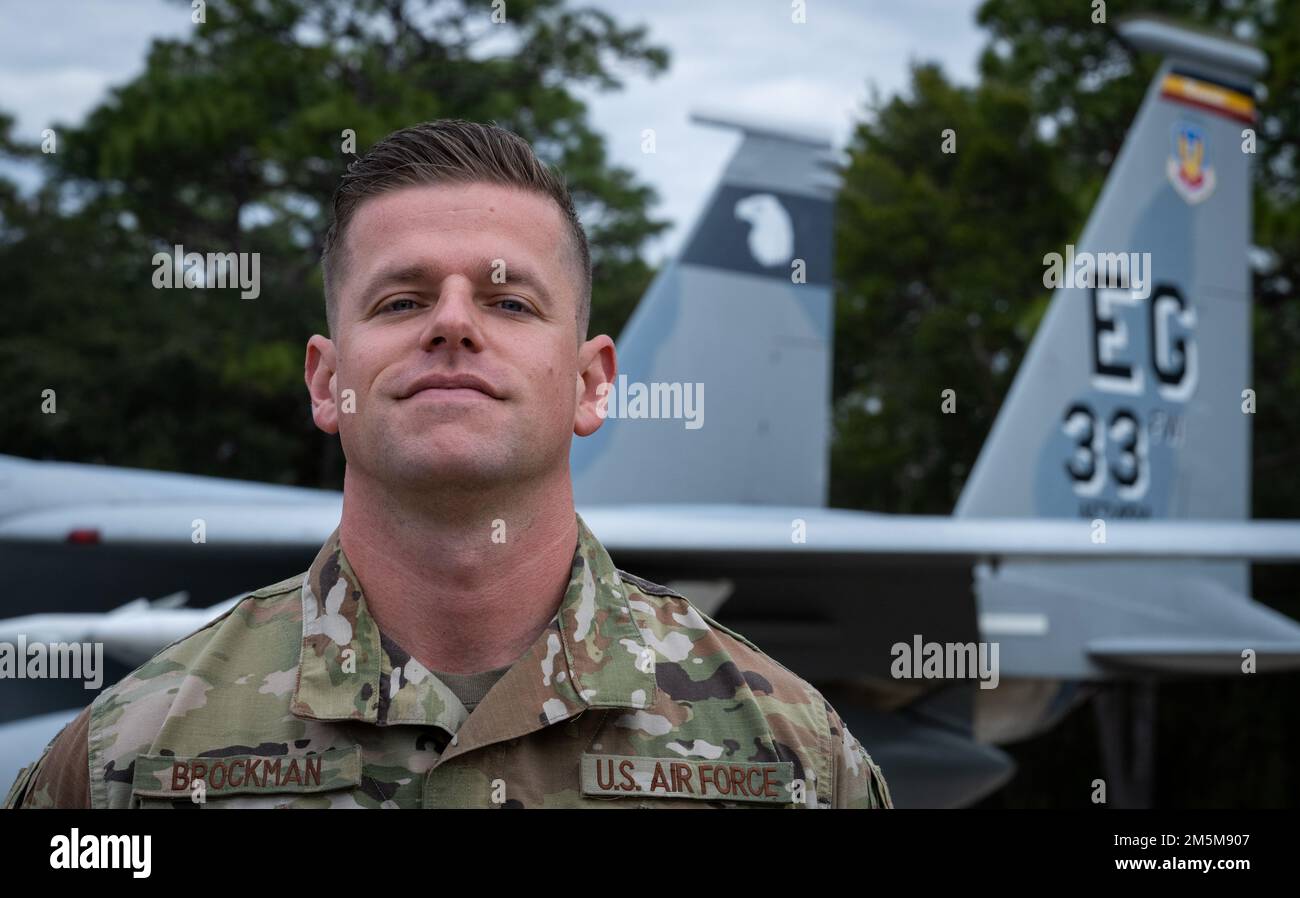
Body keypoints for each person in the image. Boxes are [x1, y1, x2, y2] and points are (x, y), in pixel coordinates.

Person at [4, 120, 893, 809]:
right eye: (402, 298)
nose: (453, 324)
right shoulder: (127, 759)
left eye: (508, 300)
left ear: (591, 384)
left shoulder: (793, 759)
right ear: (326, 380)